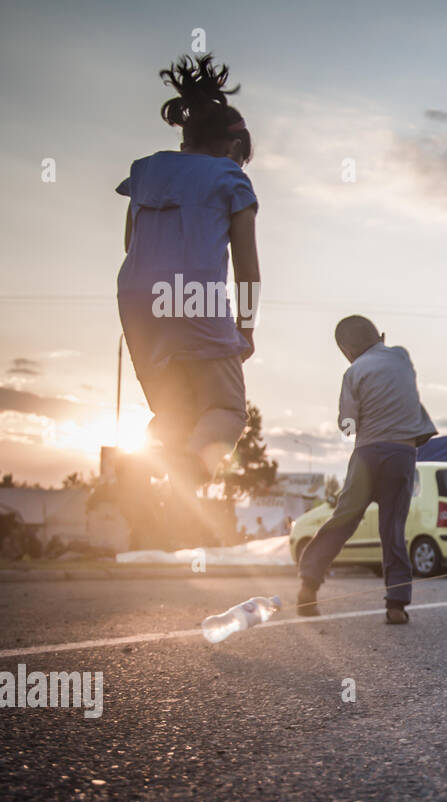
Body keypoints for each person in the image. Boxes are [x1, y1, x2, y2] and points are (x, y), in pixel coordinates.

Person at [115, 54, 260, 542]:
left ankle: (137, 475)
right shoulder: (229, 177)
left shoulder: (145, 170)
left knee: (176, 412)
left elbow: (130, 242)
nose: (239, 164)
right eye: (240, 155)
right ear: (231, 145)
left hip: (136, 299)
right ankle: (183, 499)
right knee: (226, 410)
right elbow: (246, 266)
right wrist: (246, 328)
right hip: (194, 296)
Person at [296, 316, 437, 624]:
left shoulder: (353, 371)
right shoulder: (401, 356)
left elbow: (348, 424)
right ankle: (396, 605)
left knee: (344, 519)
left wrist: (350, 420)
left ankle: (308, 584)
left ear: (346, 350)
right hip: (402, 453)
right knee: (392, 528)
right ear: (380, 337)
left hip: (368, 455)